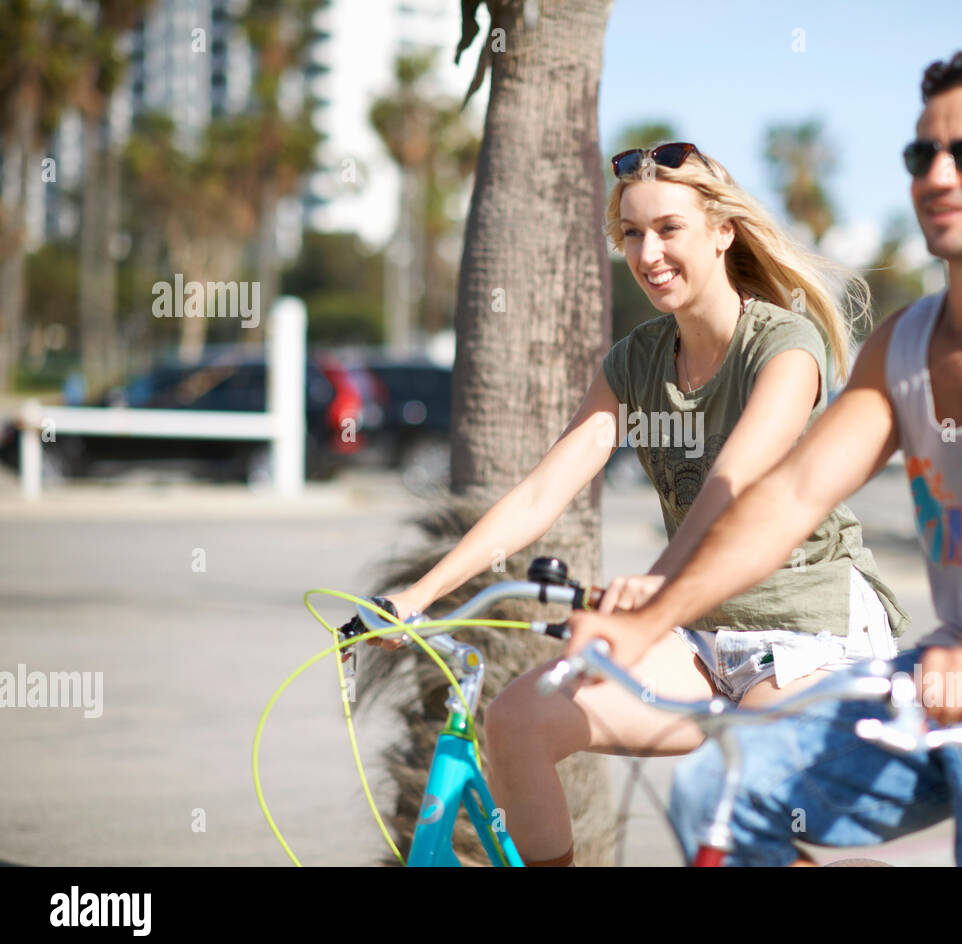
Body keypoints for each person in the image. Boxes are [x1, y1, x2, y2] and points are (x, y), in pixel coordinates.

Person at [568, 52, 962, 866]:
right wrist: (648, 621)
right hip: (944, 678)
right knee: (715, 794)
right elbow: (790, 494)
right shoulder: (907, 344)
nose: (940, 175)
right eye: (922, 156)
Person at [377, 142, 909, 866]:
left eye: (669, 228)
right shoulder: (638, 360)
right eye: (631, 233)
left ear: (723, 232)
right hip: (700, 640)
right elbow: (543, 492)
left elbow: (732, 486)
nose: (648, 251)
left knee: (740, 808)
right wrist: (421, 594)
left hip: (809, 635)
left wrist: (656, 590)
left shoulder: (785, 347)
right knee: (517, 721)